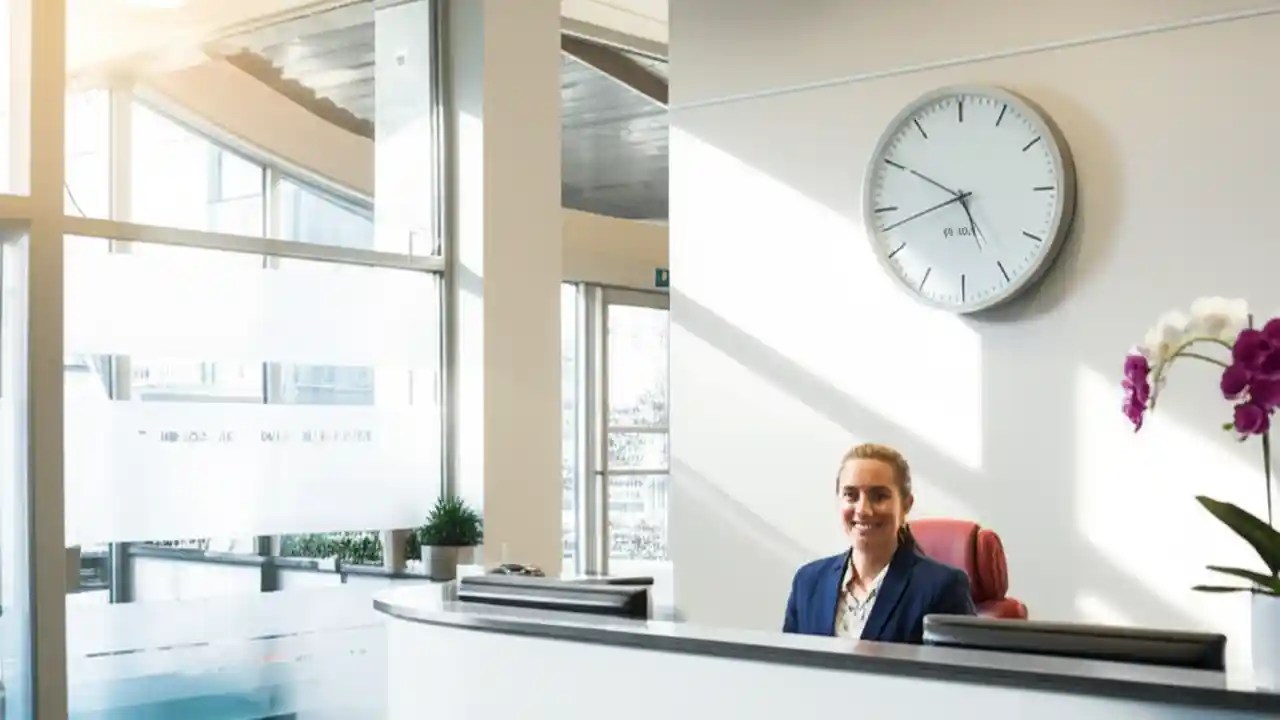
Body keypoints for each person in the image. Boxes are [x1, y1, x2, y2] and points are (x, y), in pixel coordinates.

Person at [783, 443, 975, 641]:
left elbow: (961, 670)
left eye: (879, 496)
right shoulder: (808, 582)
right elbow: (789, 667)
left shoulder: (942, 588)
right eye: (851, 495)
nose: (863, 509)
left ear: (906, 505)